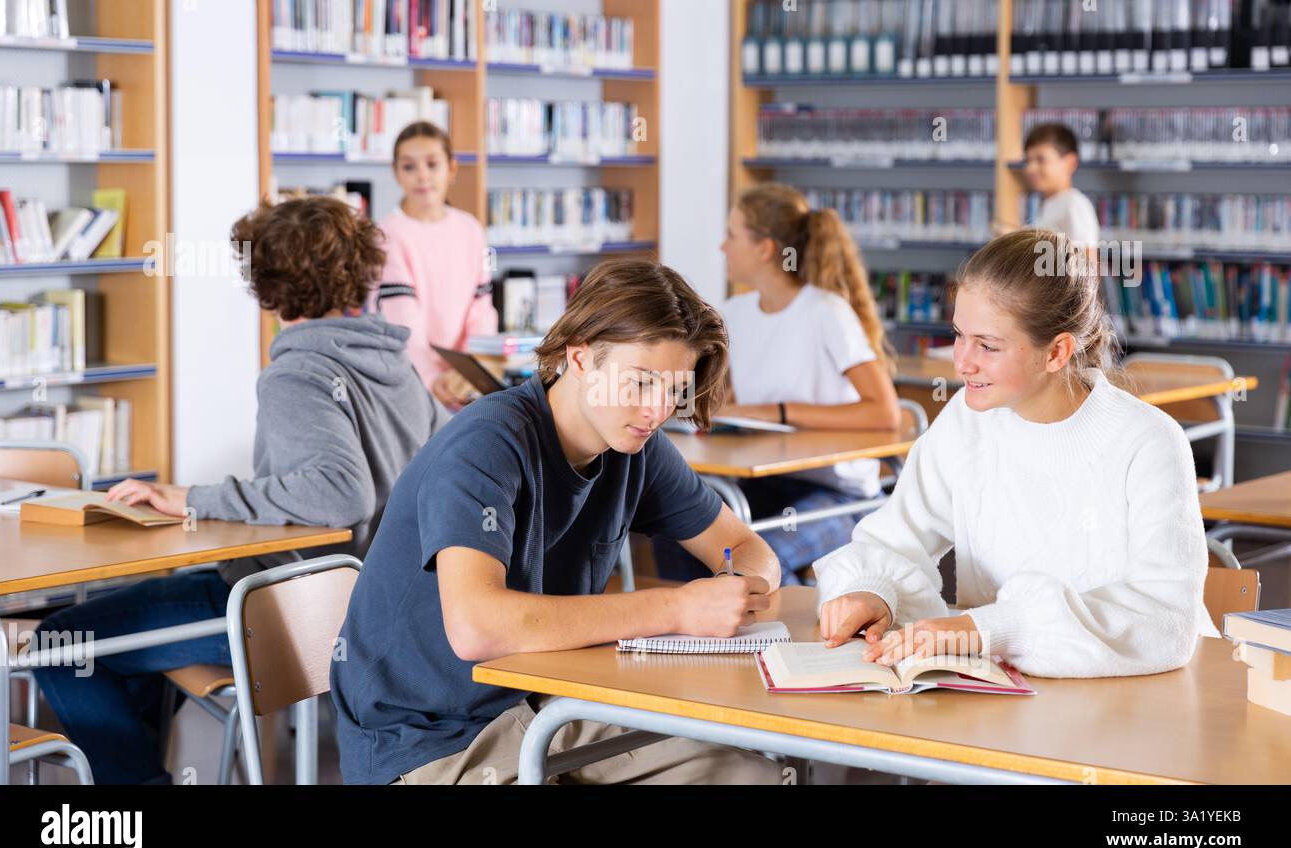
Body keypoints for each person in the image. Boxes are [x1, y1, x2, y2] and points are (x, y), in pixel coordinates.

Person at [33, 197, 448, 784]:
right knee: (149, 609)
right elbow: (434, 465)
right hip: (373, 607)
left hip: (291, 609)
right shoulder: (394, 362)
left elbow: (340, 493)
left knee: (62, 644)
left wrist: (194, 499)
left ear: (270, 290)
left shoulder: (297, 375)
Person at [331, 259, 787, 785]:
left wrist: (736, 587)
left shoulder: (636, 444)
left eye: (672, 389)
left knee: (754, 777)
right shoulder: (488, 443)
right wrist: (679, 608)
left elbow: (744, 546)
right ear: (579, 357)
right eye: (639, 383)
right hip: (433, 741)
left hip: (550, 707)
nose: (656, 409)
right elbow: (477, 628)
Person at [815, 228, 1216, 678]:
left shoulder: (1149, 442)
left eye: (987, 346)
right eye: (959, 335)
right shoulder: (967, 422)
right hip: (1000, 700)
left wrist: (982, 629)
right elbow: (896, 539)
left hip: (1136, 710)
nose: (962, 361)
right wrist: (872, 592)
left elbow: (1163, 618)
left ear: (1057, 352)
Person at [653, 182, 901, 587]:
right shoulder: (734, 313)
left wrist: (777, 412)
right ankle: (690, 640)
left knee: (758, 561)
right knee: (677, 531)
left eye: (732, 235)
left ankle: (791, 642)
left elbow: (885, 412)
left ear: (765, 248)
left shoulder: (825, 312)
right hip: (761, 482)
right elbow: (724, 400)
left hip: (842, 496)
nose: (722, 247)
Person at [373, 121, 498, 407]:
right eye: (409, 167)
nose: (422, 176)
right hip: (407, 380)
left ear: (451, 170)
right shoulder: (387, 235)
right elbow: (402, 319)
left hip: (462, 382)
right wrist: (432, 378)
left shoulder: (471, 229)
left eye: (432, 164)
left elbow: (481, 309)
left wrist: (468, 373)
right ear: (395, 173)